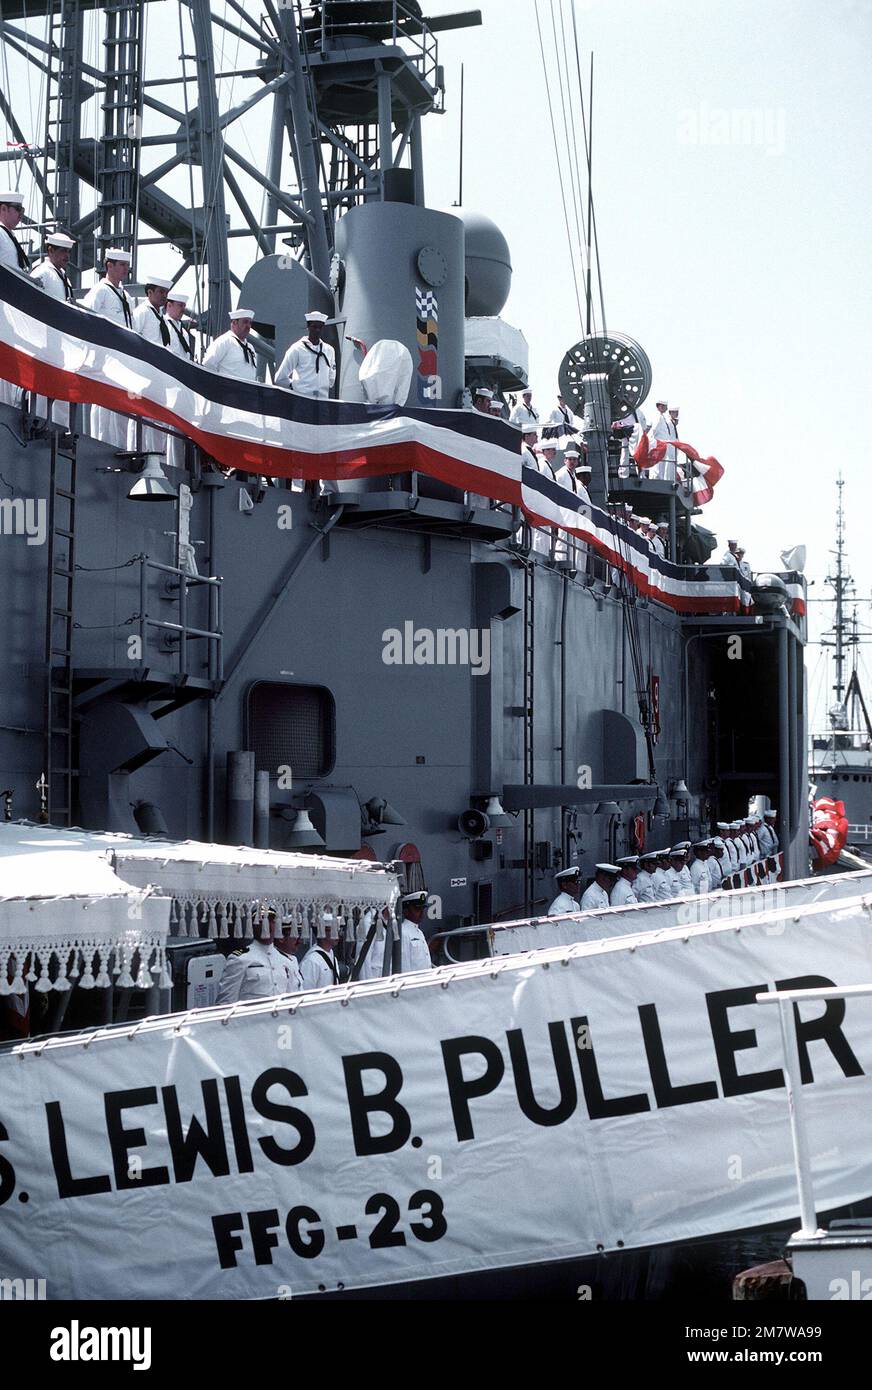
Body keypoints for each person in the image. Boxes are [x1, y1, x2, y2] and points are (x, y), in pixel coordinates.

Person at [82, 248, 134, 446]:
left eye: (127, 266)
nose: (125, 270)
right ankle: (100, 442)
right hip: (105, 356)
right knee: (103, 403)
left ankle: (120, 445)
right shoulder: (100, 291)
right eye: (122, 265)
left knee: (121, 404)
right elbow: (87, 316)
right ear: (109, 266)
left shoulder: (126, 296)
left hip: (123, 358)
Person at [29, 231, 76, 428]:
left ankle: (60, 427)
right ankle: (39, 423)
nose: (66, 256)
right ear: (50, 250)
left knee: (60, 392)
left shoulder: (65, 279)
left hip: (60, 344)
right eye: (62, 251)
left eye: (68, 252)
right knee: (42, 390)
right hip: (43, 342)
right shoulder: (42, 273)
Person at [127, 275, 172, 455]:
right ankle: (133, 448)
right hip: (141, 371)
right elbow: (133, 338)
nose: (164, 296)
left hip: (157, 373)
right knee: (136, 411)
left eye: (166, 293)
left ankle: (155, 453)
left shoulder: (159, 317)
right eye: (161, 292)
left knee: (157, 414)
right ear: (150, 292)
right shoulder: (142, 313)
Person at [216, 915, 302, 1004]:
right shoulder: (240, 959)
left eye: (271, 921)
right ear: (253, 925)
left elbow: (292, 999)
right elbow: (226, 1002)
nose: (266, 926)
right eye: (261, 921)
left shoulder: (286, 960)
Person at [163, 290, 195, 469]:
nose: (183, 309)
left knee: (180, 427)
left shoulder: (181, 329)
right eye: (180, 305)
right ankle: (170, 463)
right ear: (169, 305)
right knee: (169, 425)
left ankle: (178, 464)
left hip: (182, 383)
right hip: (170, 382)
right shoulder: (164, 326)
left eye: (184, 306)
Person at [275, 310, 336, 399]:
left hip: (323, 402)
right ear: (308, 327)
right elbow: (280, 378)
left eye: (320, 327)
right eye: (314, 327)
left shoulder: (329, 350)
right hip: (302, 401)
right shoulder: (297, 349)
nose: (317, 330)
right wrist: (294, 386)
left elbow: (331, 380)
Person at [204, 308, 259, 380]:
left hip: (247, 389)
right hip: (228, 388)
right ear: (234, 323)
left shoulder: (250, 347)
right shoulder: (225, 341)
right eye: (245, 322)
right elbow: (208, 363)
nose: (248, 326)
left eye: (250, 323)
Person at [300, 913, 341, 989]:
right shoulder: (311, 961)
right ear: (322, 932)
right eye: (333, 930)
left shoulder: (331, 955)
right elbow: (306, 991)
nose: (337, 934)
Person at [398, 891, 433, 973]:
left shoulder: (419, 932)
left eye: (422, 909)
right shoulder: (403, 933)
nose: (421, 912)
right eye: (417, 909)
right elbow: (404, 965)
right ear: (406, 911)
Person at [647, 398, 678, 482]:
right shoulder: (657, 416)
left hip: (662, 445)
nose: (666, 409)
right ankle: (655, 480)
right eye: (665, 407)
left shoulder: (662, 417)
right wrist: (652, 441)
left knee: (662, 464)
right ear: (660, 406)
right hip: (658, 444)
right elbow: (654, 429)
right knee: (657, 465)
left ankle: (659, 479)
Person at [0, 188, 28, 272]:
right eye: (18, 209)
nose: (21, 215)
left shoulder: (9, 236)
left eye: (22, 210)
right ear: (4, 208)